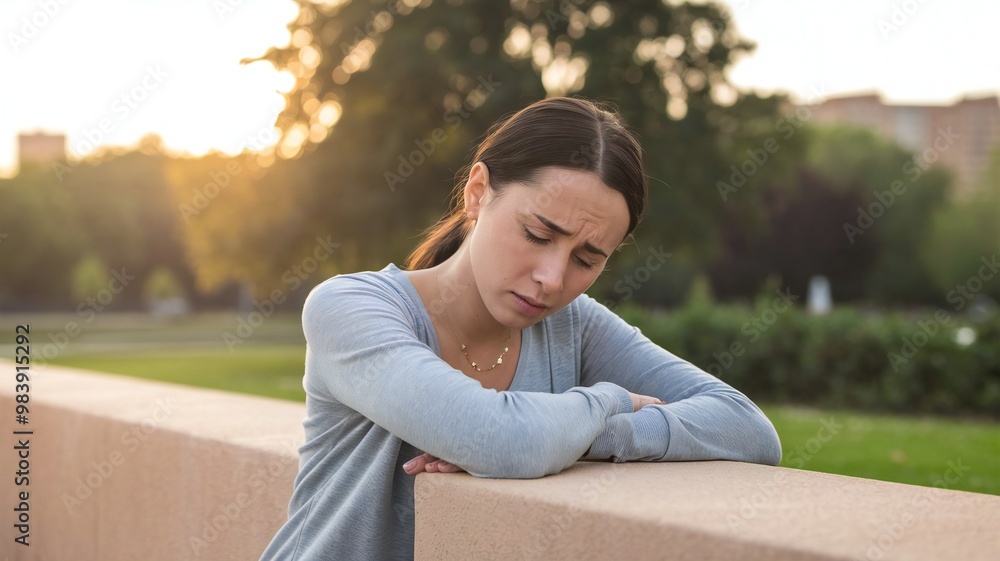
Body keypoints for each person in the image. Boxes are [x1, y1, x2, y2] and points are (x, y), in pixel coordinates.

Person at [258, 96, 782, 561]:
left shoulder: (575, 327)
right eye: (537, 234)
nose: (552, 280)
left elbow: (748, 429)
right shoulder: (350, 308)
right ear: (478, 193)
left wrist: (591, 436)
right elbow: (497, 439)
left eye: (587, 258)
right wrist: (612, 399)